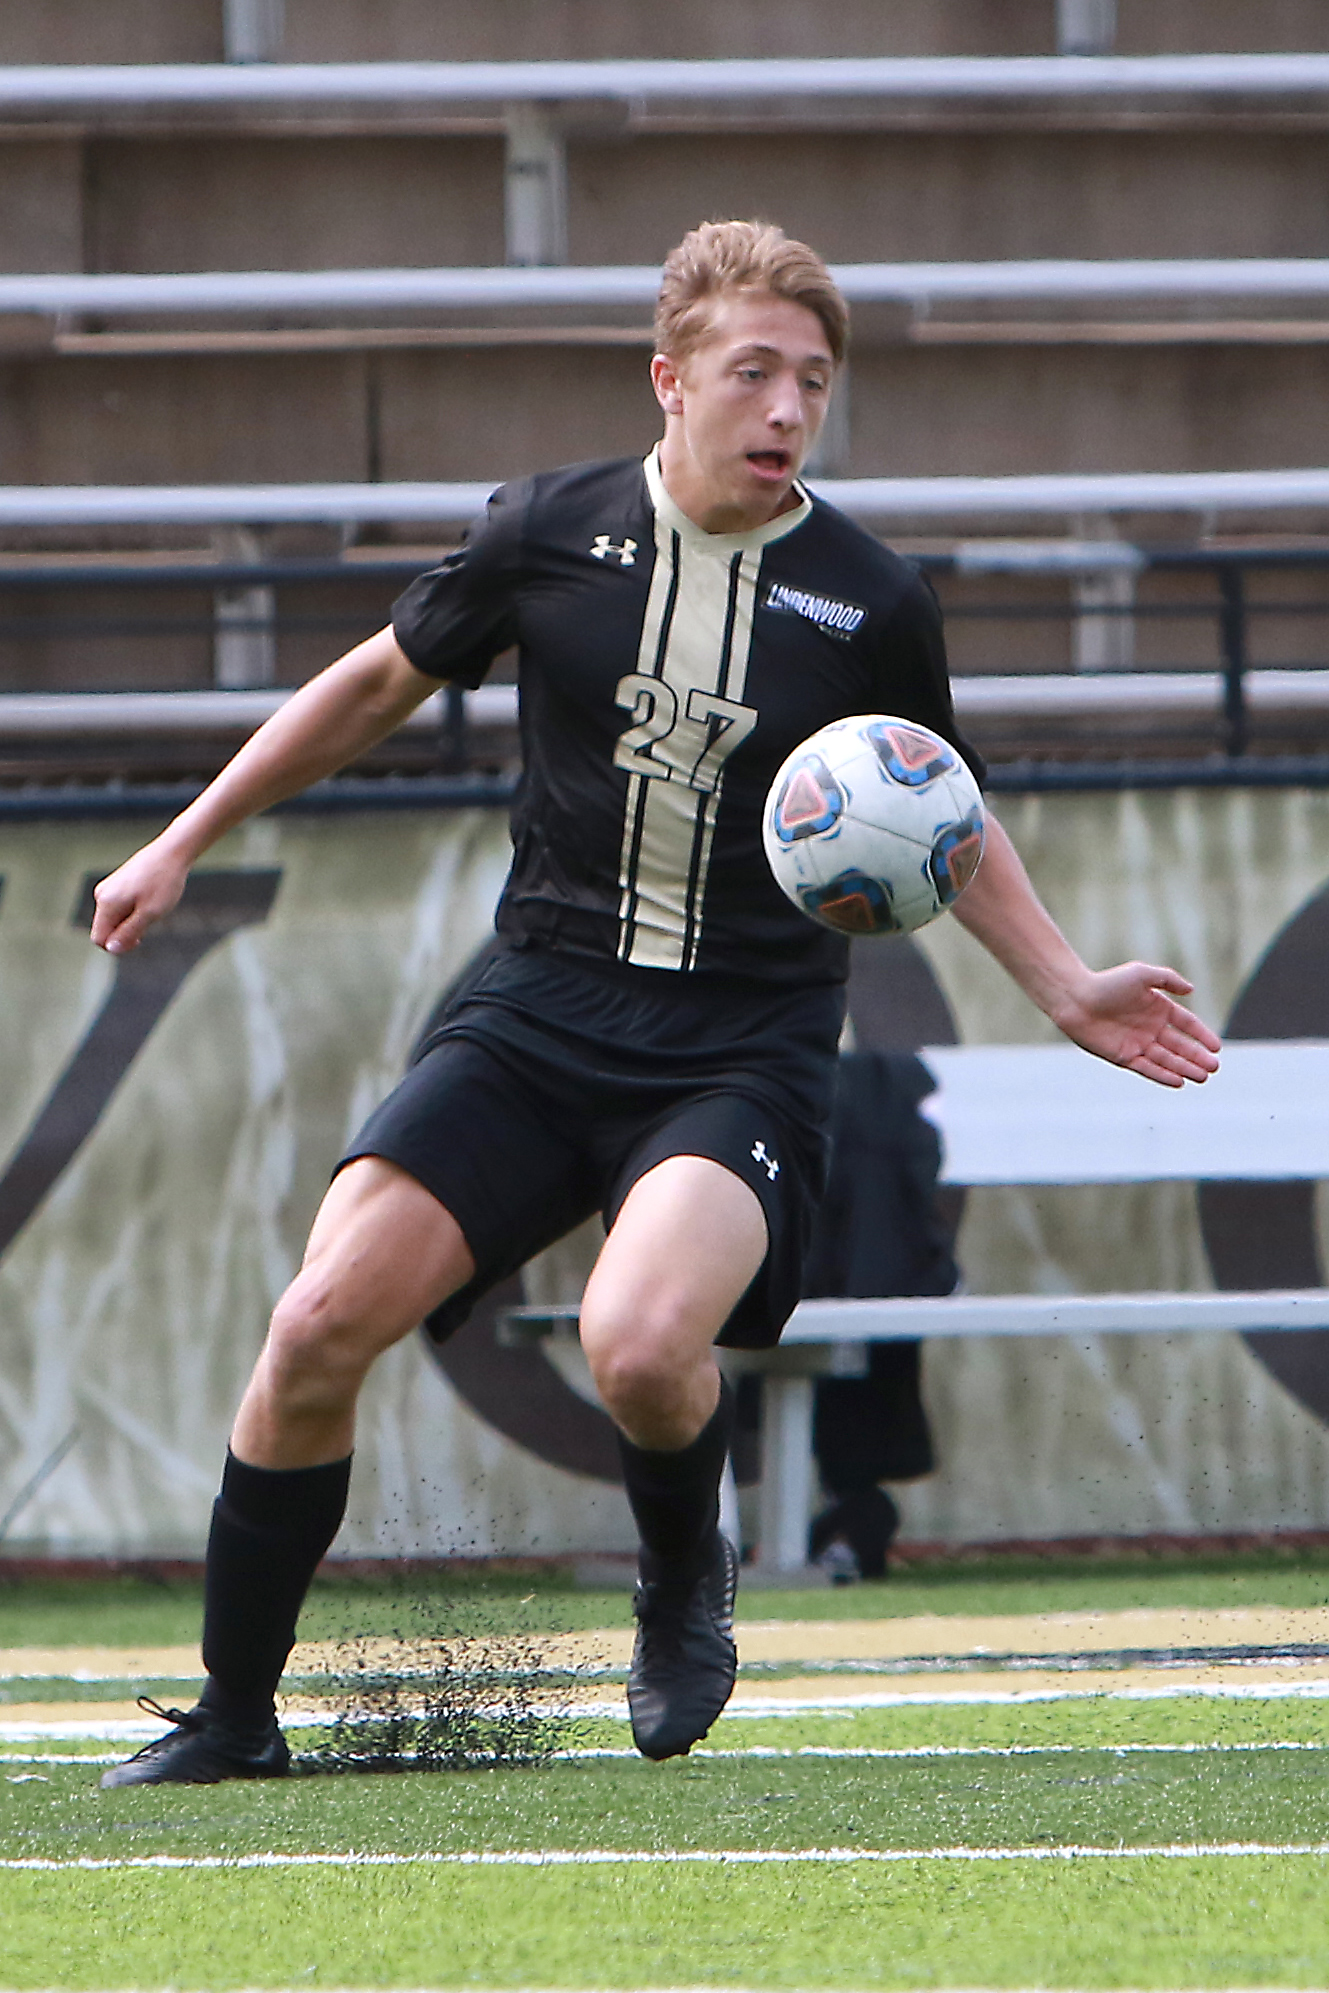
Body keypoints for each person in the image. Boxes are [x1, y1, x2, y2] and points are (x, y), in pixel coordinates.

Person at [93, 220, 1221, 1786]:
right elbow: (368, 683)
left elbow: (934, 811)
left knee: (635, 1340)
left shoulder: (867, 597)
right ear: (669, 377)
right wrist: (184, 835)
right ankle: (233, 1713)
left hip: (739, 1048)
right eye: (750, 372)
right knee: (315, 1322)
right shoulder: (545, 532)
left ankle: (683, 1577)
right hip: (534, 1014)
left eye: (810, 383)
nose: (781, 409)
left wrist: (1064, 982)